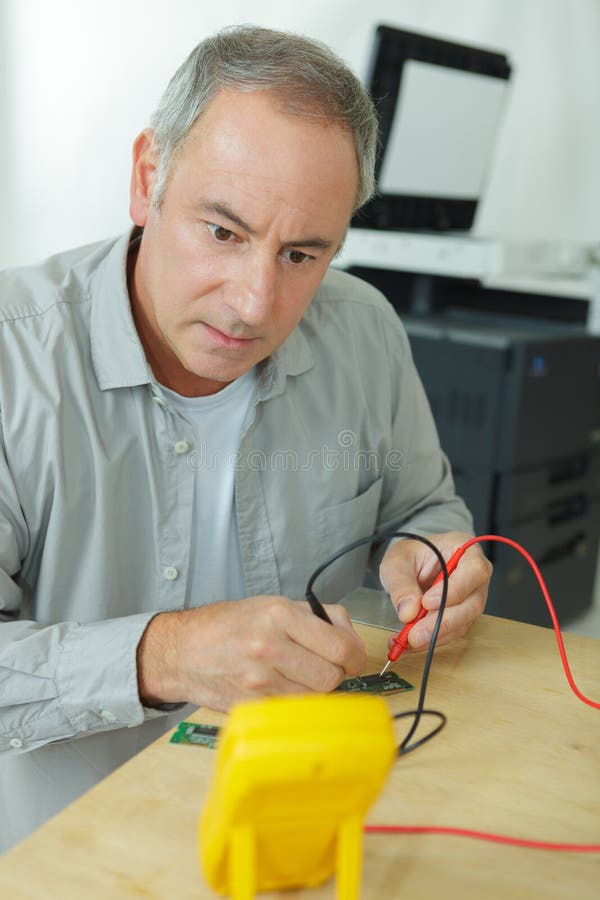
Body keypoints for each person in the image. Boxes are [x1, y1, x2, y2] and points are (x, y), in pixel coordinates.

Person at [0, 25, 492, 851]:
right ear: (147, 177)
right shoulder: (14, 356)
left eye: (303, 254)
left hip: (308, 820)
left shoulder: (365, 331)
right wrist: (166, 654)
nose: (255, 303)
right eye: (223, 232)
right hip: (69, 852)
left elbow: (427, 507)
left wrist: (440, 554)